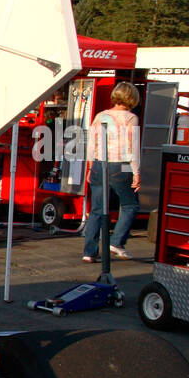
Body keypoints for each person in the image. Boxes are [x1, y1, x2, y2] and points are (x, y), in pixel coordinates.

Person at [83, 81, 142, 263]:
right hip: (120, 165)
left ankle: (89, 252)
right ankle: (116, 242)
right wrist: (136, 172)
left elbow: (91, 144)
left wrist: (90, 166)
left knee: (97, 210)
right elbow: (132, 147)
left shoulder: (100, 116)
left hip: (99, 165)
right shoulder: (130, 118)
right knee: (130, 204)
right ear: (132, 98)